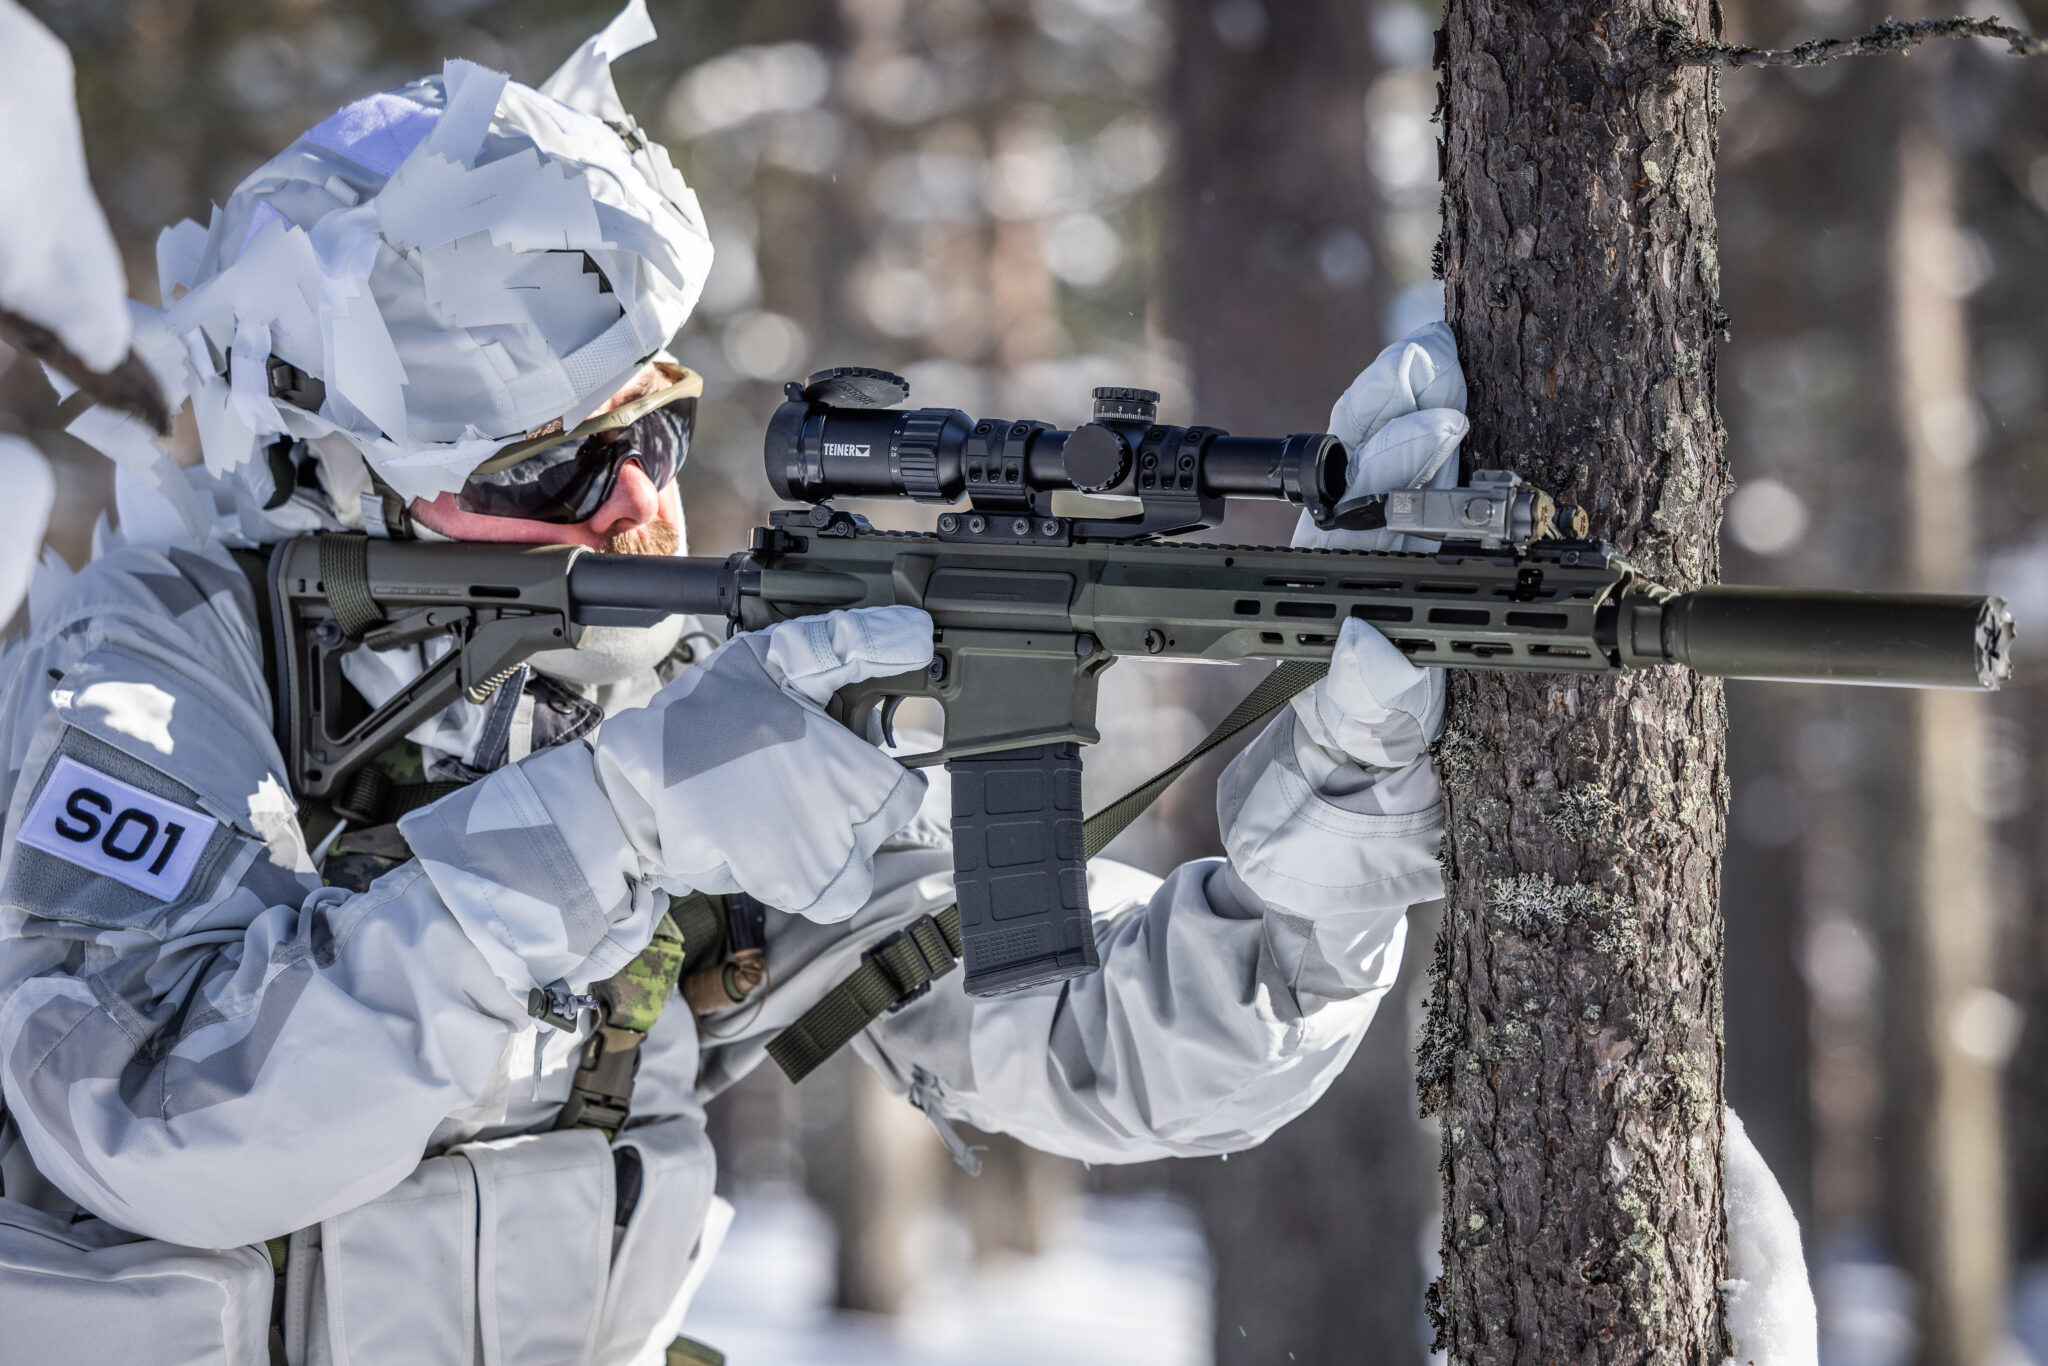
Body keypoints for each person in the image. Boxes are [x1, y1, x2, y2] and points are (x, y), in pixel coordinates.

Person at [0, 5, 1807, 1365]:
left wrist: (1325, 845)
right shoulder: (161, 671)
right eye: (559, 474)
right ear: (341, 474)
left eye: (660, 436)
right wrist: (611, 825)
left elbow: (1092, 1048)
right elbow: (156, 1120)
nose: (638, 511)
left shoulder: (657, 692)